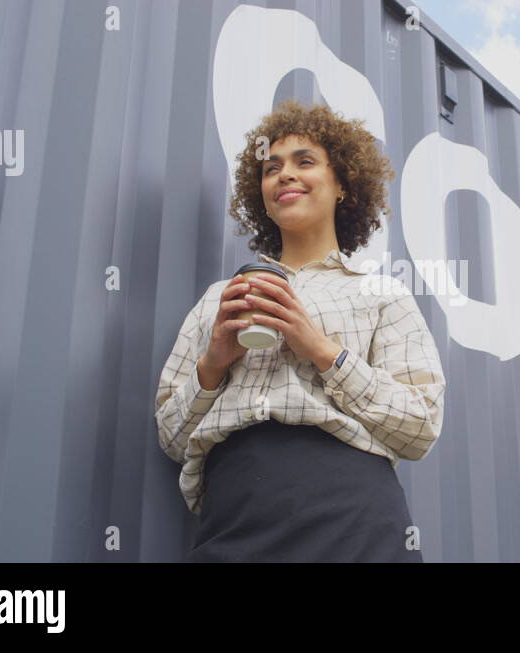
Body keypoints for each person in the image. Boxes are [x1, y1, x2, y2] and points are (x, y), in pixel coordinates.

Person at [153, 99, 446, 562]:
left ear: (344, 185)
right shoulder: (218, 299)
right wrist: (213, 364)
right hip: (234, 513)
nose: (284, 174)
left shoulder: (383, 294)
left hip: (352, 518)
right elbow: (171, 438)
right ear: (261, 197)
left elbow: (420, 427)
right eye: (271, 169)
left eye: (304, 162)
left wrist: (322, 351)